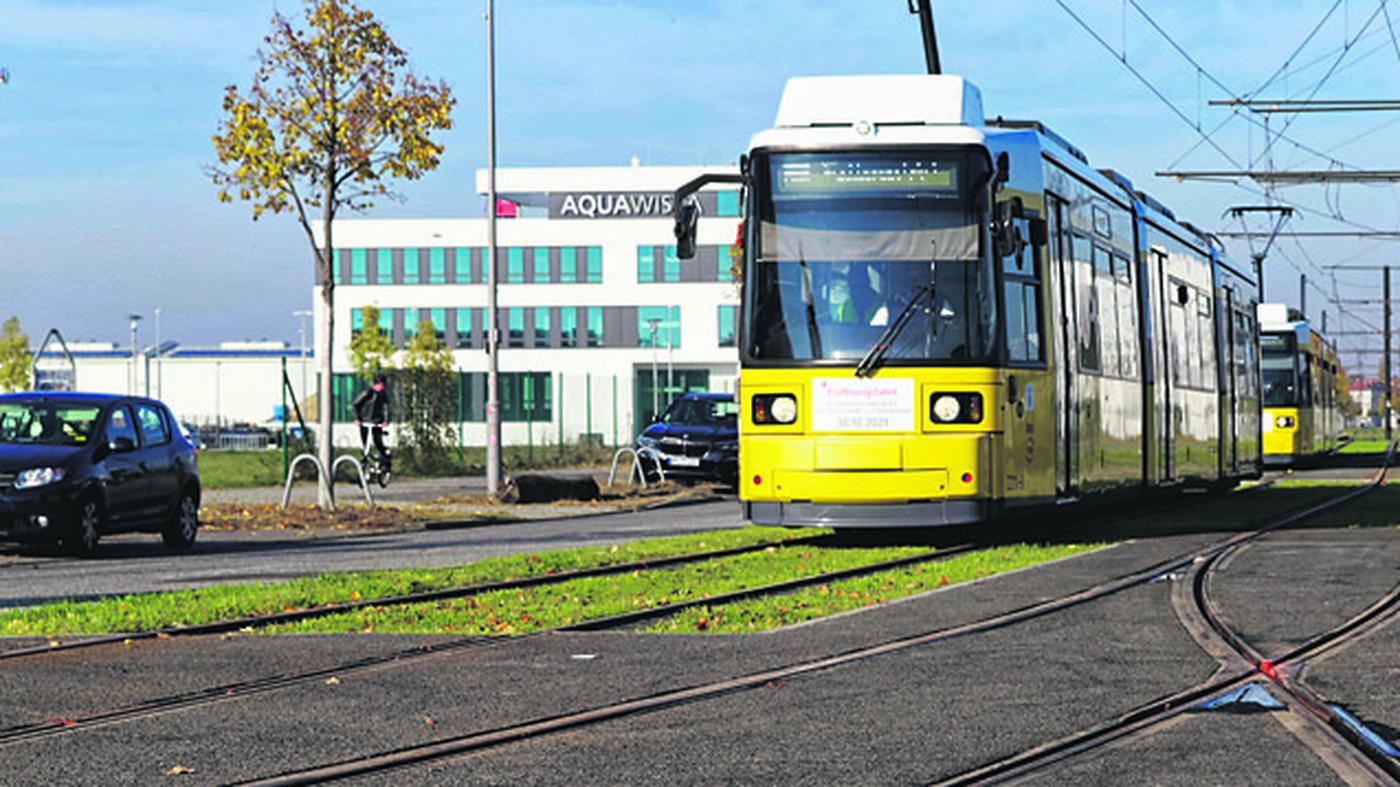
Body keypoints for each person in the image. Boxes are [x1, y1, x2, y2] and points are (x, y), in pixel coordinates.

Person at [352, 373, 391, 466]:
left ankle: (385, 459)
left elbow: (386, 408)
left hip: (377, 422)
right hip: (365, 421)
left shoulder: (383, 395)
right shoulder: (367, 393)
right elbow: (356, 405)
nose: (382, 387)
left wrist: (386, 420)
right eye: (381, 385)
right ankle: (364, 460)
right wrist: (357, 418)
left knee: (377, 441)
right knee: (365, 442)